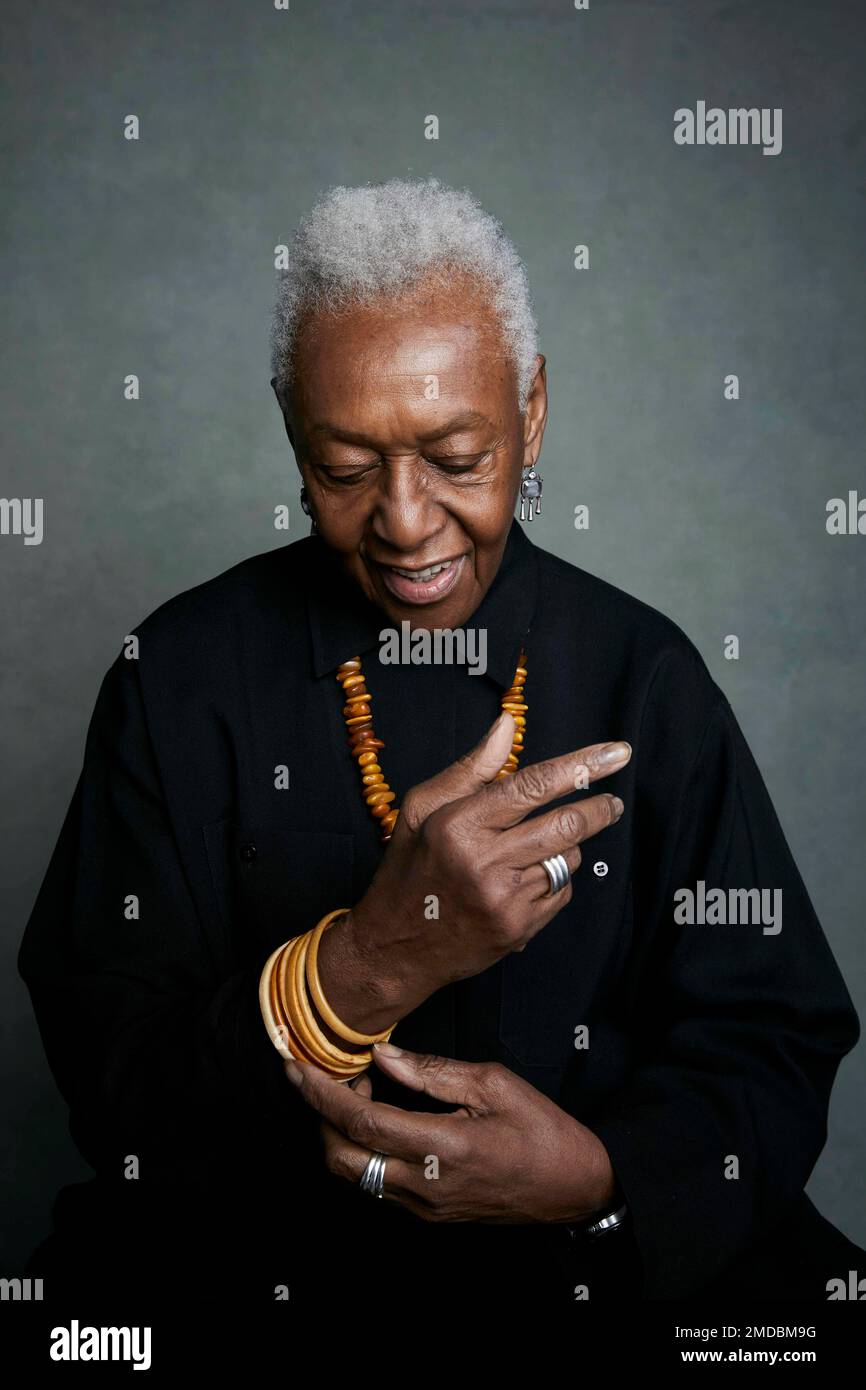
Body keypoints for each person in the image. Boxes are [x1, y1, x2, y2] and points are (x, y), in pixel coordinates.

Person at [19, 177, 863, 1313]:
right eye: (346, 470)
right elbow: (112, 1075)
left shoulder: (642, 674)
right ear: (287, 429)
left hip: (583, 1272)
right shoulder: (177, 675)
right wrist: (374, 960)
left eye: (457, 459)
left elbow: (771, 1030)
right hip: (266, 1268)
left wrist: (601, 1182)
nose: (406, 523)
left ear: (534, 411)